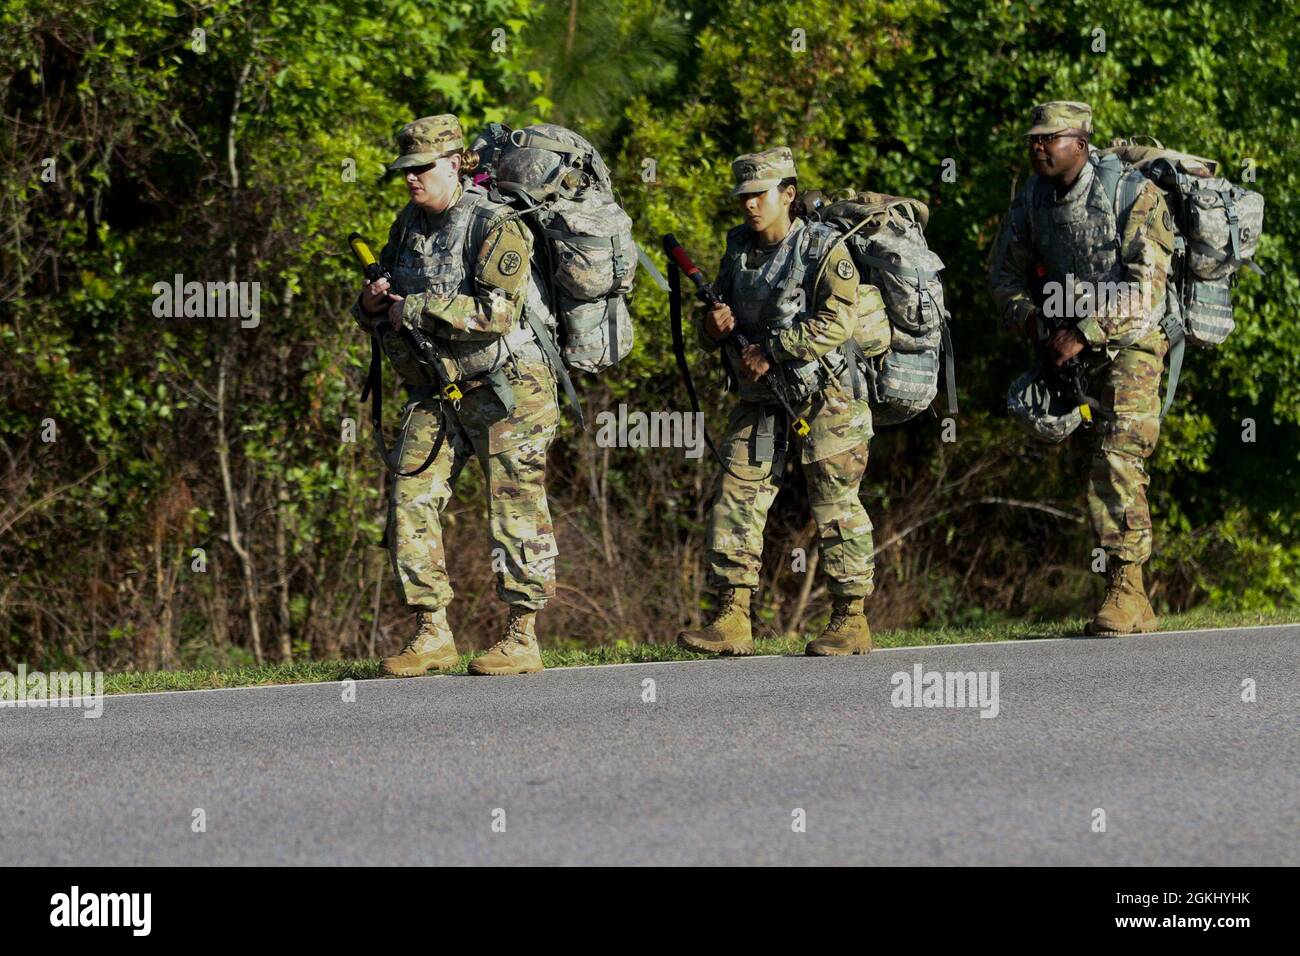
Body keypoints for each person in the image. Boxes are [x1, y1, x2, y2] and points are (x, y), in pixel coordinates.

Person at [353, 114, 562, 675]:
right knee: (410, 498)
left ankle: (522, 634)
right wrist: (372, 305)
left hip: (509, 386)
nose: (411, 180)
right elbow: (393, 300)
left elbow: (497, 313)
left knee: (515, 506)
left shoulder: (496, 224)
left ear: (454, 163)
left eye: (421, 169)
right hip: (437, 385)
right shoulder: (408, 225)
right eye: (405, 170)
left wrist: (414, 308)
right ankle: (431, 631)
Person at [677, 147, 878, 657]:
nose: (749, 205)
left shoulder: (823, 248)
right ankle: (732, 617)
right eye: (743, 196)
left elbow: (839, 322)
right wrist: (713, 328)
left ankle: (850, 619)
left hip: (828, 395)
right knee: (736, 495)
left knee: (834, 504)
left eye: (759, 195)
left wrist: (775, 349)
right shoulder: (738, 250)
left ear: (787, 195)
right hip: (763, 397)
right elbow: (718, 325)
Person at [989, 101, 1176, 635]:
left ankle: (1126, 589)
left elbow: (1146, 289)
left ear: (1082, 144)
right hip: (1067, 347)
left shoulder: (1132, 195)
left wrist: (1085, 332)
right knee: (1099, 462)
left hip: (1130, 346)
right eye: (1034, 139)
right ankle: (1128, 591)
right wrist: (1037, 326)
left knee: (1118, 455)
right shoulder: (1031, 200)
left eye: (1051, 138)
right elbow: (1005, 278)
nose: (1039, 147)